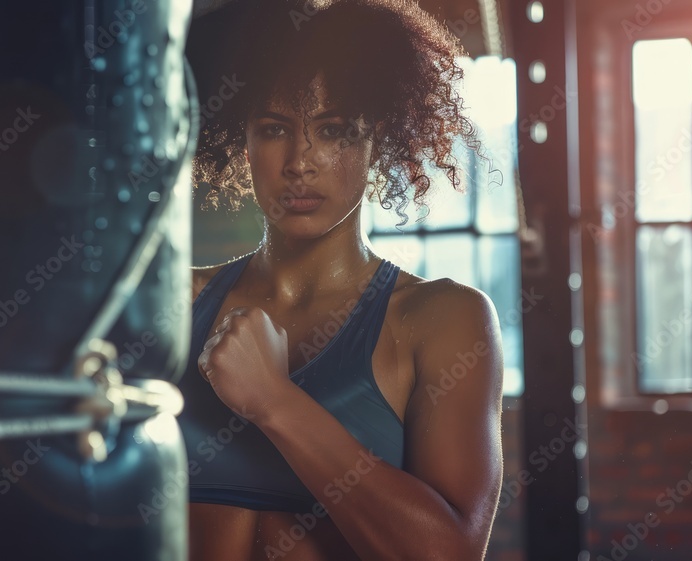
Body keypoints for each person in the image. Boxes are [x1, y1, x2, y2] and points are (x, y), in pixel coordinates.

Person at [179, 0, 504, 559]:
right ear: (244, 140)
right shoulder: (176, 304)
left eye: (332, 130)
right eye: (274, 128)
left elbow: (450, 552)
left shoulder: (442, 320)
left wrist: (275, 402)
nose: (299, 161)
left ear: (377, 137)